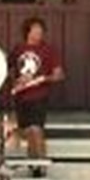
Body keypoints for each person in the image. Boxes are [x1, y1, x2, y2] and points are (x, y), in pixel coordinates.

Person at [9, 17, 64, 163]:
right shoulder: (18, 49)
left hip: (39, 96)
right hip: (20, 96)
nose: (39, 34)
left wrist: (42, 79)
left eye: (41, 31)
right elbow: (8, 69)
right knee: (27, 131)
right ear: (27, 32)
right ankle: (32, 162)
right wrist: (15, 81)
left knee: (36, 128)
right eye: (35, 31)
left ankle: (40, 162)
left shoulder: (48, 50)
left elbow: (59, 74)